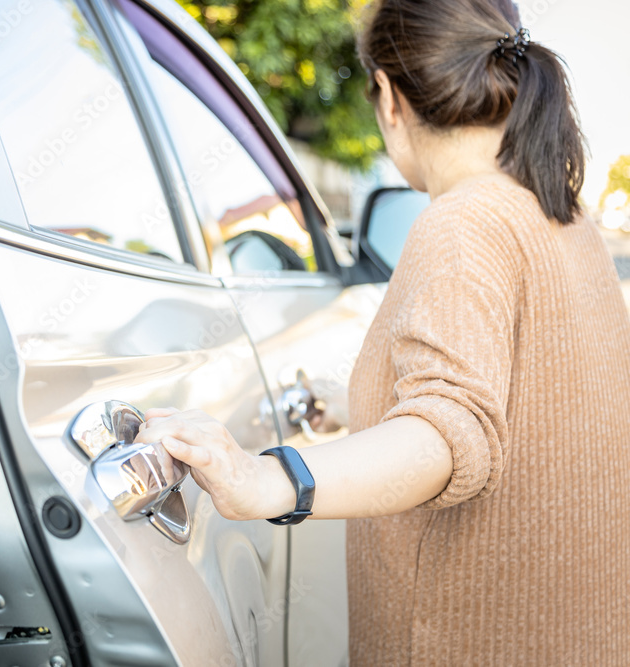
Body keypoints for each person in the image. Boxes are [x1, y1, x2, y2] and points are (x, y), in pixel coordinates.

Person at [136, 0, 630, 664]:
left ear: (391, 97)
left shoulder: (462, 222)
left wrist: (266, 479)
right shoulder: (569, 225)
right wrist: (359, 404)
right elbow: (536, 406)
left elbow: (449, 434)